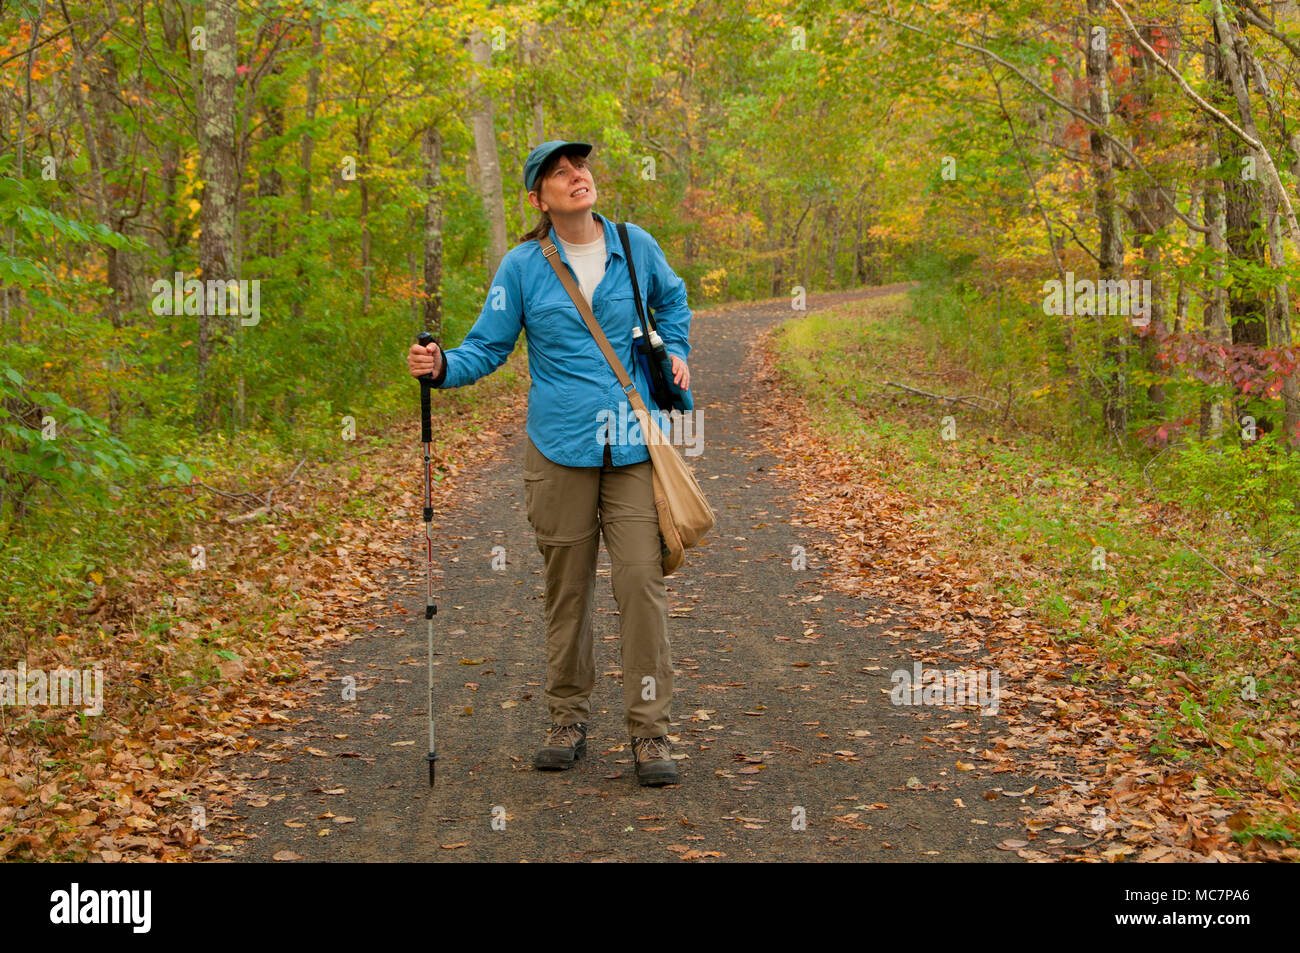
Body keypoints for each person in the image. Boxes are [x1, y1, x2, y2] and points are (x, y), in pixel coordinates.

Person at [406, 140, 693, 786]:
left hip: (630, 444)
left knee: (642, 583)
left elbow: (673, 302)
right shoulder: (522, 268)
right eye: (559, 174)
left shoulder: (633, 244)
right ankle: (568, 719)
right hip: (559, 448)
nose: (576, 178)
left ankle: (650, 732)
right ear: (537, 198)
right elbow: (487, 345)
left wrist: (676, 348)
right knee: (568, 590)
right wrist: (443, 365)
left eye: (580, 168)